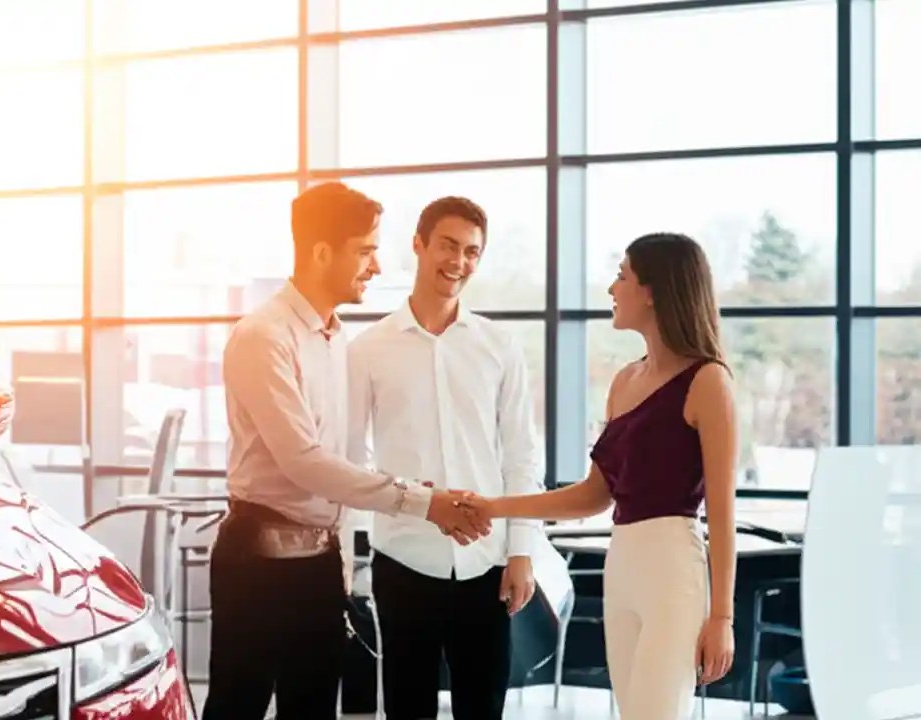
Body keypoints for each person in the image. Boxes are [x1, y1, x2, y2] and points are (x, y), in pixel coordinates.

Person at [202, 182, 489, 720]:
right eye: (365, 250)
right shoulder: (264, 336)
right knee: (236, 708)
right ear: (320, 253)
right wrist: (421, 500)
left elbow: (346, 459)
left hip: (316, 563)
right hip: (258, 563)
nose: (376, 267)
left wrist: (345, 560)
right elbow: (304, 461)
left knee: (313, 711)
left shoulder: (335, 340)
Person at [462, 232, 738, 719]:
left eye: (622, 276)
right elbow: (593, 495)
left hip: (675, 570)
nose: (612, 289)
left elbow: (722, 512)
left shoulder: (709, 381)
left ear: (652, 290)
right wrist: (494, 506)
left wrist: (722, 616)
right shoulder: (625, 381)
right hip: (623, 564)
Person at [346, 196, 544, 720]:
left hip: (486, 563)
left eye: (473, 252)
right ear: (419, 244)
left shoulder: (499, 346)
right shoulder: (368, 348)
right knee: (408, 709)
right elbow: (350, 459)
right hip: (403, 558)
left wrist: (521, 550)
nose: (459, 262)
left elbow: (522, 454)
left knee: (484, 709)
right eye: (449, 246)